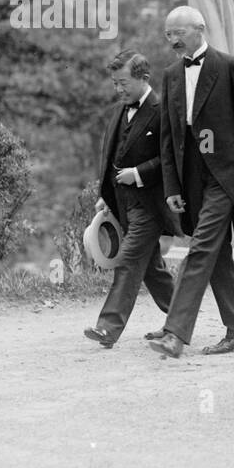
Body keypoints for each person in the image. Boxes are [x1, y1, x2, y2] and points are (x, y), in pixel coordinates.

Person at [152, 7, 234, 358]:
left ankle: (175, 333)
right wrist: (172, 187)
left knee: (200, 247)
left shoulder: (229, 65)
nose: (173, 39)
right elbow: (168, 137)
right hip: (191, 179)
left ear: (200, 29)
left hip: (226, 175)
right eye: (168, 33)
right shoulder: (172, 74)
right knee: (217, 256)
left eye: (179, 32)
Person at [83, 50, 178, 347]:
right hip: (123, 204)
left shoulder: (162, 110)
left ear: (144, 78)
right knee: (152, 270)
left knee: (127, 261)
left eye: (123, 82)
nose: (118, 89)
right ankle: (181, 317)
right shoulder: (120, 110)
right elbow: (111, 156)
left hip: (150, 205)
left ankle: (107, 328)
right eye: (114, 83)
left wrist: (137, 173)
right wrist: (107, 197)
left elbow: (171, 160)